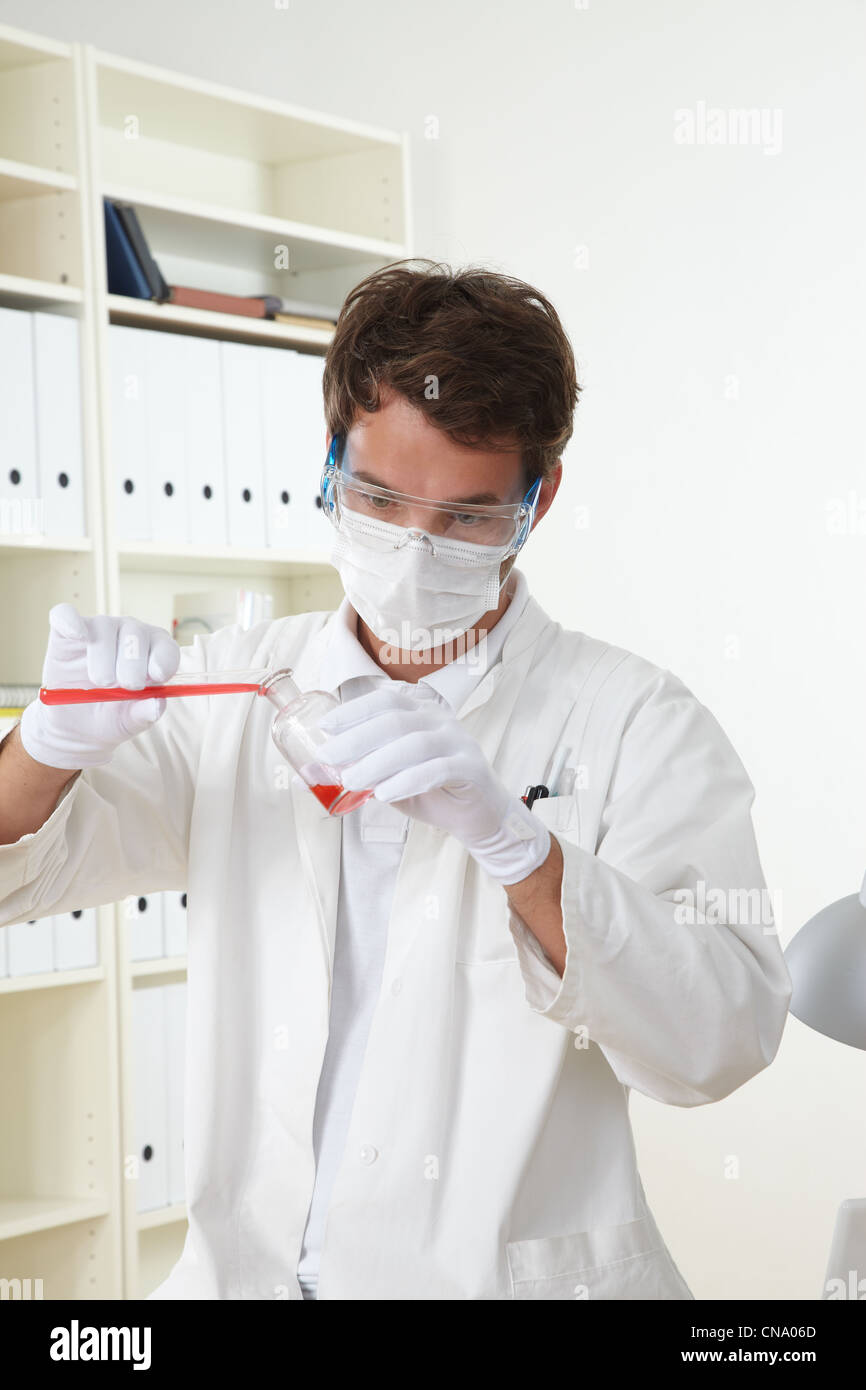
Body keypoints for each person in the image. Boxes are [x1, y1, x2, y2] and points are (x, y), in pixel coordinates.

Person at [0, 260, 792, 1301]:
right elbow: (20, 877)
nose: (413, 552)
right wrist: (44, 747)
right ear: (330, 459)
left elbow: (719, 1039)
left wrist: (523, 853)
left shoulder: (636, 721)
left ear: (537, 497)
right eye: (376, 498)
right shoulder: (233, 691)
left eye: (465, 517)